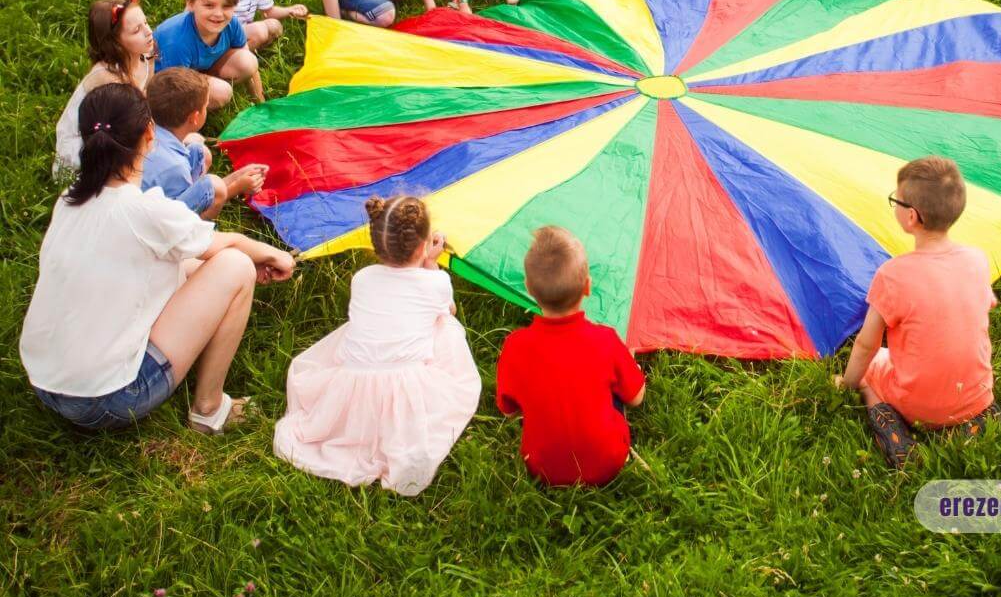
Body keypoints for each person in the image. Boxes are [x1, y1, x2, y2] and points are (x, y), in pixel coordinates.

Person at [21, 83, 294, 434]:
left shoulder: (70, 199)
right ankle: (210, 410)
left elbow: (182, 254)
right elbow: (221, 245)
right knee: (237, 266)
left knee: (192, 266)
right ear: (150, 134)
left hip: (45, 380)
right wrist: (277, 255)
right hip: (109, 398)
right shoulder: (145, 210)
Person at [273, 196, 481, 496]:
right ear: (424, 245)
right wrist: (431, 265)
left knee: (359, 328)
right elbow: (447, 309)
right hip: (407, 388)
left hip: (353, 384)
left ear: (376, 246)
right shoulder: (434, 282)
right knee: (446, 325)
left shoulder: (363, 278)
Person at [834, 157, 1000, 468]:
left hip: (918, 405)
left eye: (895, 200)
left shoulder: (892, 275)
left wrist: (846, 384)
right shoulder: (977, 260)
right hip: (977, 394)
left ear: (911, 217)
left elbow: (867, 345)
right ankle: (974, 421)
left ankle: (890, 425)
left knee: (872, 368)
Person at [496, 226, 646, 487]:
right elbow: (636, 398)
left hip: (540, 466)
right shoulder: (606, 340)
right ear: (588, 286)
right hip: (609, 462)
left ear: (528, 288)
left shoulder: (515, 346)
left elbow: (509, 410)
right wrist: (628, 360)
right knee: (614, 387)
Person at [52, 0, 156, 178]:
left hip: (124, 124)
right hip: (92, 136)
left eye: (146, 23)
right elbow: (116, 128)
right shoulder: (108, 78)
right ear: (115, 43)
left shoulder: (146, 56)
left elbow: (143, 98)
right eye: (136, 30)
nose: (148, 31)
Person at [142, 67, 266, 219]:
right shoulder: (175, 167)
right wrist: (236, 187)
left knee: (199, 151)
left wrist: (236, 177)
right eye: (206, 106)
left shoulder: (150, 133)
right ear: (195, 117)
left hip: (156, 194)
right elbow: (179, 218)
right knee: (215, 187)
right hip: (158, 225)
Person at [153, 0, 260, 107]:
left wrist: (261, 103)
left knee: (248, 61)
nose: (218, 14)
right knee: (222, 92)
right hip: (165, 83)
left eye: (226, 6)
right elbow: (175, 91)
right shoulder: (177, 42)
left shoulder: (232, 24)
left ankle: (207, 83)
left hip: (195, 69)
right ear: (190, 4)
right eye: (209, 5)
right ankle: (202, 104)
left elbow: (251, 68)